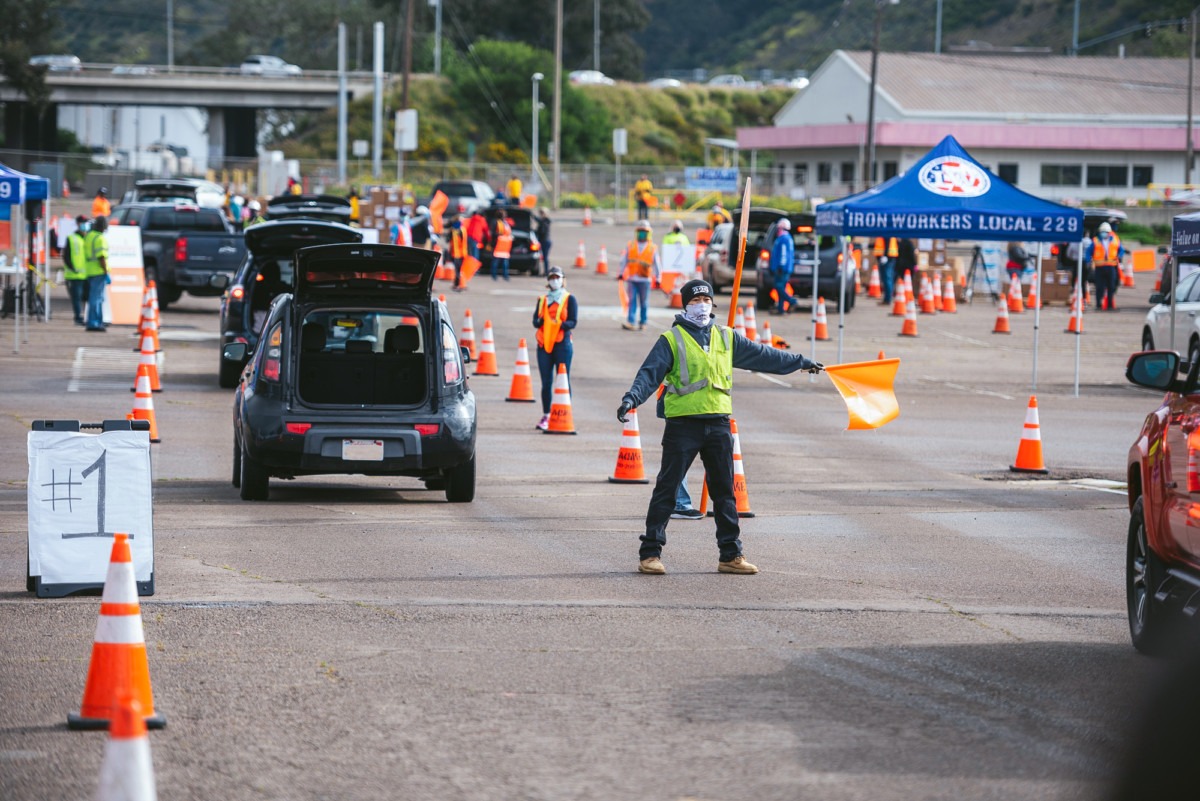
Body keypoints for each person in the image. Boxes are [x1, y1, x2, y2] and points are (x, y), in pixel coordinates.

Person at [617, 279, 824, 575]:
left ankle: (730, 555)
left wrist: (800, 362)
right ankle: (650, 554)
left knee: (725, 493)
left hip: (718, 423)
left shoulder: (726, 337)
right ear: (685, 305)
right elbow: (648, 375)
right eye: (695, 300)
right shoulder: (672, 339)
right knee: (667, 488)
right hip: (683, 425)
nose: (701, 305)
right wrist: (631, 399)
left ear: (712, 304)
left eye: (706, 299)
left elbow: (764, 356)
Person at [533, 265, 578, 431]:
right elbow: (535, 321)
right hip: (544, 343)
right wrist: (542, 322)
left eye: (557, 277)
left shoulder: (569, 299)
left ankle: (564, 413)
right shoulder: (542, 300)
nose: (554, 280)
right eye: (551, 278)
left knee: (563, 380)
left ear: (563, 279)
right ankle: (546, 415)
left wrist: (559, 324)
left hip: (562, 344)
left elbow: (573, 321)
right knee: (546, 382)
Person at [620, 219, 660, 331]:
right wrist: (621, 273)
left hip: (645, 279)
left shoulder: (652, 247)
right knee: (631, 301)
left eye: (644, 232)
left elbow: (657, 264)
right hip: (632, 278)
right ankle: (631, 321)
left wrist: (658, 278)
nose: (642, 234)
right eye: (640, 231)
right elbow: (624, 260)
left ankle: (643, 322)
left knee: (644, 303)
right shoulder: (631, 245)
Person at [1087, 221, 1127, 311]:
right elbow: (1089, 252)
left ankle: (1109, 305)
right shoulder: (1095, 240)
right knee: (1099, 287)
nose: (1104, 233)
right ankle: (1098, 304)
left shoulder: (1115, 239)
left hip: (1111, 266)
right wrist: (1088, 261)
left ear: (1109, 232)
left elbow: (1121, 250)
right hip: (1099, 267)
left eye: (1105, 232)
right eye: (1102, 232)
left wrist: (1119, 256)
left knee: (1111, 286)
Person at [83, 216, 110, 332]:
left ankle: (96, 321)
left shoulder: (89, 236)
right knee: (97, 298)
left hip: (89, 270)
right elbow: (101, 257)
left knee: (95, 297)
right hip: (99, 271)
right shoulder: (100, 239)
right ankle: (94, 323)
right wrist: (105, 271)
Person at [63, 215, 90, 326]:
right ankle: (78, 318)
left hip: (87, 274)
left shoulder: (88, 237)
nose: (85, 225)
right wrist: (72, 268)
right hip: (75, 275)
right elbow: (66, 256)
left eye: (86, 223)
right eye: (83, 223)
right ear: (78, 224)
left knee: (88, 297)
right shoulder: (71, 238)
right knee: (77, 298)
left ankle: (87, 317)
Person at [768, 218, 795, 315]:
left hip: (782, 268)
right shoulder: (787, 238)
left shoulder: (784, 239)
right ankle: (781, 309)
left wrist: (781, 266)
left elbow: (783, 254)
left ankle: (792, 301)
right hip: (784, 268)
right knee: (781, 288)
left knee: (779, 287)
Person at [491, 213, 513, 281]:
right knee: (496, 261)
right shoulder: (497, 223)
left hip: (505, 246)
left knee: (505, 262)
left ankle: (505, 275)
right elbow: (493, 232)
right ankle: (494, 275)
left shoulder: (507, 223)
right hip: (499, 245)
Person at [448, 216, 468, 291]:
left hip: (459, 253)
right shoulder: (459, 230)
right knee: (458, 270)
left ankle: (458, 284)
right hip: (457, 253)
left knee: (458, 270)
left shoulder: (459, 230)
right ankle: (457, 284)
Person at [535, 208, 552, 276]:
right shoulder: (543, 221)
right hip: (543, 241)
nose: (541, 215)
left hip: (545, 241)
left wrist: (536, 232)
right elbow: (538, 220)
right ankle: (545, 271)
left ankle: (546, 271)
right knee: (543, 257)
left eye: (542, 213)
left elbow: (542, 230)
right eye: (540, 213)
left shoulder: (546, 221)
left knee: (545, 257)